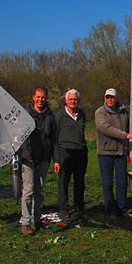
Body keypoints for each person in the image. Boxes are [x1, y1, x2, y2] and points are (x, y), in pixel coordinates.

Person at [95, 88, 132, 219]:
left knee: (122, 182)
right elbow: (105, 128)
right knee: (107, 182)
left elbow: (130, 126)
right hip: (106, 152)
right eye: (107, 97)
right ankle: (110, 210)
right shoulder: (100, 112)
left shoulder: (123, 111)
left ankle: (122, 208)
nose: (110, 99)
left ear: (116, 98)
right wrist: (126, 135)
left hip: (121, 152)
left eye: (112, 97)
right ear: (104, 98)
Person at [17, 87, 56, 235]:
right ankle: (25, 221)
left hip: (44, 157)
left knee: (39, 190)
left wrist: (55, 158)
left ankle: (36, 219)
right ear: (33, 97)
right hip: (28, 157)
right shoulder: (24, 114)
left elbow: (53, 138)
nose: (40, 100)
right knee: (28, 190)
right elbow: (17, 135)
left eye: (43, 97)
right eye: (38, 97)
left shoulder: (50, 116)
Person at [53, 89, 87, 219]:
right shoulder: (59, 116)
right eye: (71, 99)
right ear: (66, 101)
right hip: (65, 152)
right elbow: (54, 138)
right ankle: (63, 208)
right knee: (64, 181)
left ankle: (79, 205)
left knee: (80, 181)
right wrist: (56, 159)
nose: (73, 101)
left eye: (75, 99)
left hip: (80, 152)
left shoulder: (82, 114)